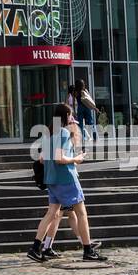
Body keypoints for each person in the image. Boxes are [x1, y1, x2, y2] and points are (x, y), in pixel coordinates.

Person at [27, 103, 108, 263]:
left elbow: (43, 159)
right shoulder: (63, 133)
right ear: (65, 116)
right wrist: (76, 159)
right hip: (66, 179)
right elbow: (60, 158)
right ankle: (88, 250)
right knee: (81, 213)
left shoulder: (49, 134)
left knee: (51, 213)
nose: (72, 117)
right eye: (71, 114)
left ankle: (36, 248)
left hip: (52, 180)